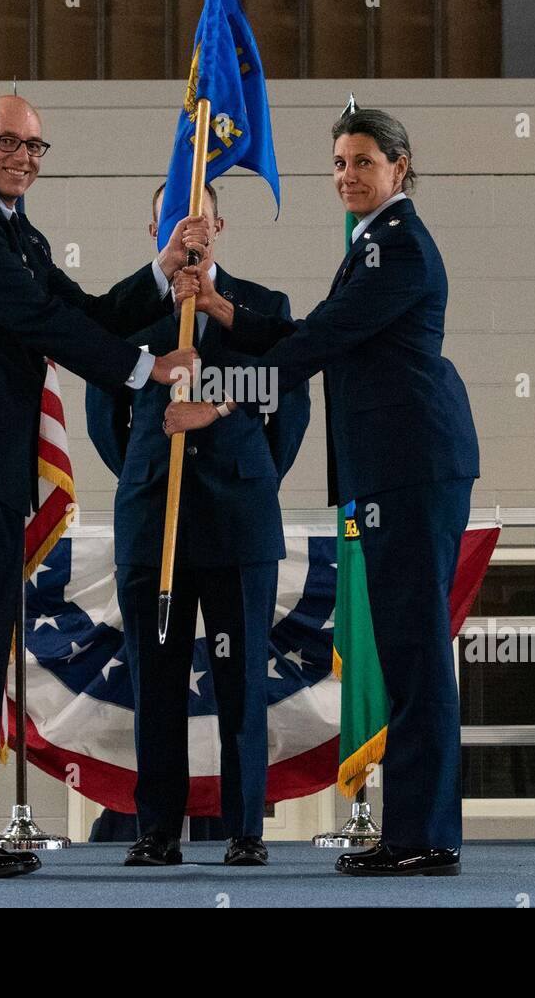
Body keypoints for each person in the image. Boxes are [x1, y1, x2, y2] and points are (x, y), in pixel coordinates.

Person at [0, 94, 199, 878]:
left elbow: (80, 311)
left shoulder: (16, 232)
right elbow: (35, 319)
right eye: (8, 141)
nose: (23, 156)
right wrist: (146, 370)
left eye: (36, 146)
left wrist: (159, 276)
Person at [167, 107, 479, 876]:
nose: (347, 175)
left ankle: (423, 836)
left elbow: (317, 345)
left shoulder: (398, 246)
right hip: (395, 468)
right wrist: (218, 310)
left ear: (400, 168)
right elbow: (315, 331)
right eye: (339, 163)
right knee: (408, 649)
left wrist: (220, 399)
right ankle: (418, 830)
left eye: (363, 161)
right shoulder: (377, 244)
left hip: (411, 465)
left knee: (414, 653)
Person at [86, 182, 310, 867]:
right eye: (176, 220)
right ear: (155, 225)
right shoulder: (128, 311)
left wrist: (225, 433)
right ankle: (158, 830)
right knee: (155, 682)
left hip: (239, 516)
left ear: (219, 225)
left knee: (243, 679)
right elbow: (106, 419)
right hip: (156, 513)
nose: (191, 230)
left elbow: (284, 397)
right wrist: (150, 467)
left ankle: (246, 830)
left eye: (202, 219)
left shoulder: (263, 307)